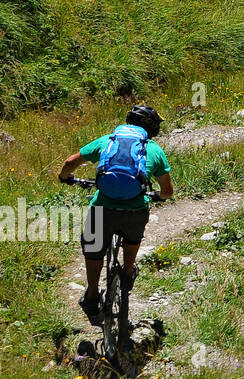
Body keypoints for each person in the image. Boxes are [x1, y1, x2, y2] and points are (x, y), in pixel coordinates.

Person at [57, 105, 173, 323]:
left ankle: (92, 295)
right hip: (134, 210)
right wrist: (157, 196)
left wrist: (65, 177)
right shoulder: (154, 149)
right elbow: (168, 191)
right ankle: (127, 273)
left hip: (102, 209)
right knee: (133, 237)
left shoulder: (107, 141)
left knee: (93, 248)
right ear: (151, 127)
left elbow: (69, 162)